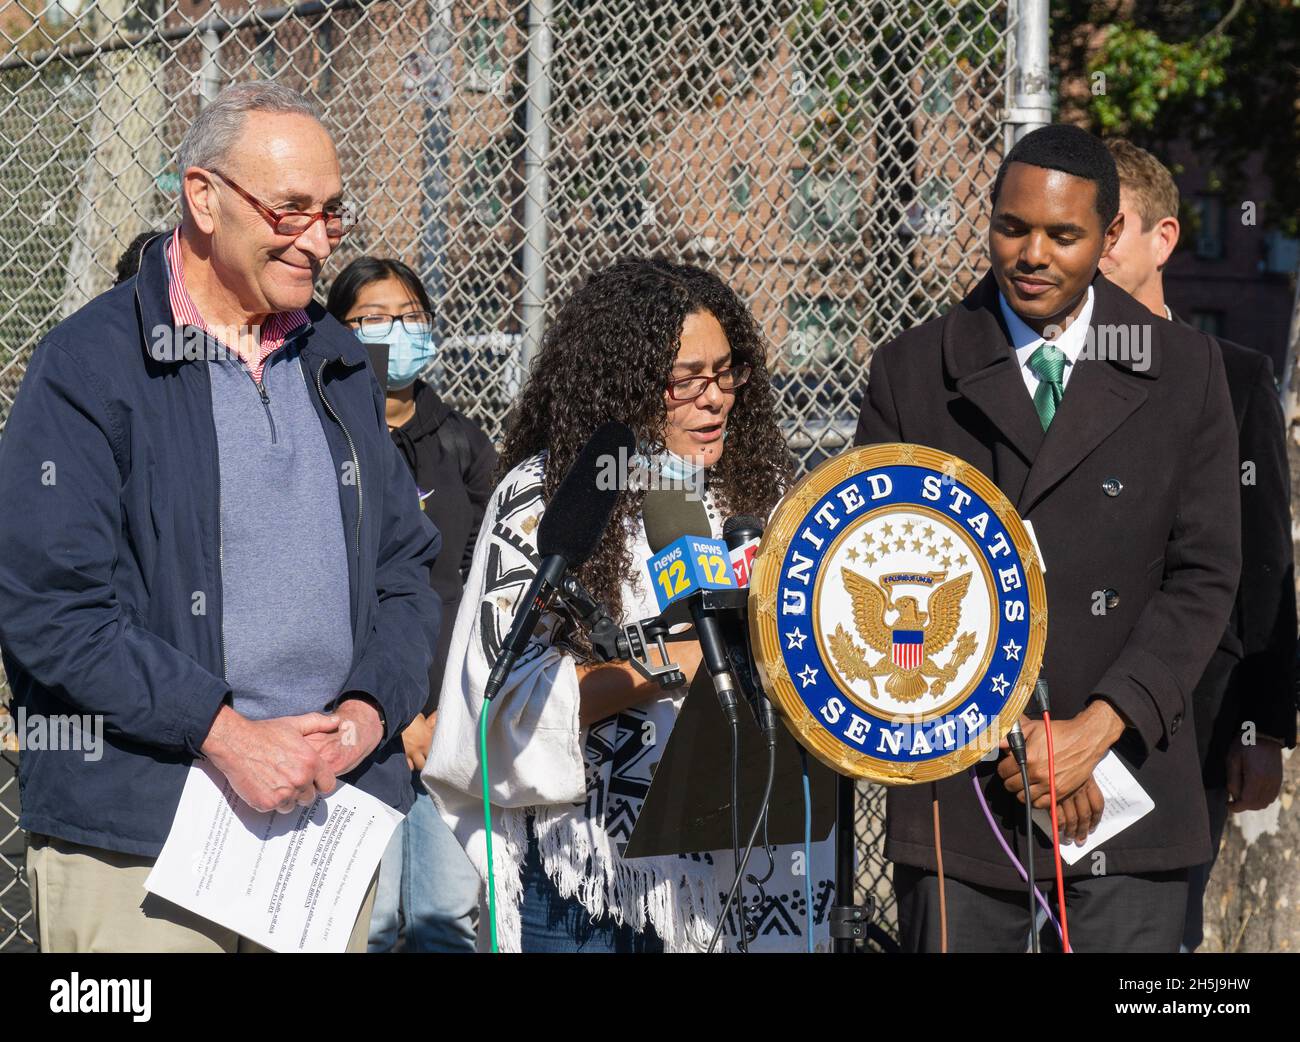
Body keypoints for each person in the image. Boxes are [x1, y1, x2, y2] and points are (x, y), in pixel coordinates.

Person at [0, 81, 441, 952]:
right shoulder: (90, 368)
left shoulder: (340, 361)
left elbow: (404, 572)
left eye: (332, 213)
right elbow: (50, 607)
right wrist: (224, 733)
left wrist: (364, 715)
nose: (318, 240)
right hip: (144, 839)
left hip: (323, 828)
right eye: (290, 211)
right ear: (203, 197)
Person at [855, 124, 1241, 952]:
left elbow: (1204, 575)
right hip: (961, 793)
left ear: (1107, 240)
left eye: (1063, 236)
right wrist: (1018, 741)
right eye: (1011, 227)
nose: (1032, 254)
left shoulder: (1185, 369)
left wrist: (1095, 731)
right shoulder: (913, 372)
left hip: (1133, 788)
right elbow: (885, 569)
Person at [423, 257, 834, 952]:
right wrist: (679, 663)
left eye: (726, 371)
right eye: (686, 380)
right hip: (590, 885)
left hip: (747, 866)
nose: (715, 398)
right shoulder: (550, 496)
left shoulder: (760, 493)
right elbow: (501, 702)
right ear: (628, 386)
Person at [1099, 138, 1297, 951]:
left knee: (1161, 937)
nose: (1090, 247)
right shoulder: (1039, 375)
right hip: (1062, 717)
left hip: (1196, 726)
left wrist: (1266, 727)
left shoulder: (1236, 373)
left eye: (1110, 227)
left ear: (1164, 239)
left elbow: (1264, 563)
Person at [326, 257, 494, 952]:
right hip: (358, 720)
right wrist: (394, 718)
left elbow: (484, 580)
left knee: (447, 918)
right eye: (371, 319)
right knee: (372, 922)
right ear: (335, 330)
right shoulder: (325, 437)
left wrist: (438, 714)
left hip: (451, 715)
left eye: (409, 316)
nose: (395, 333)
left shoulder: (462, 441)